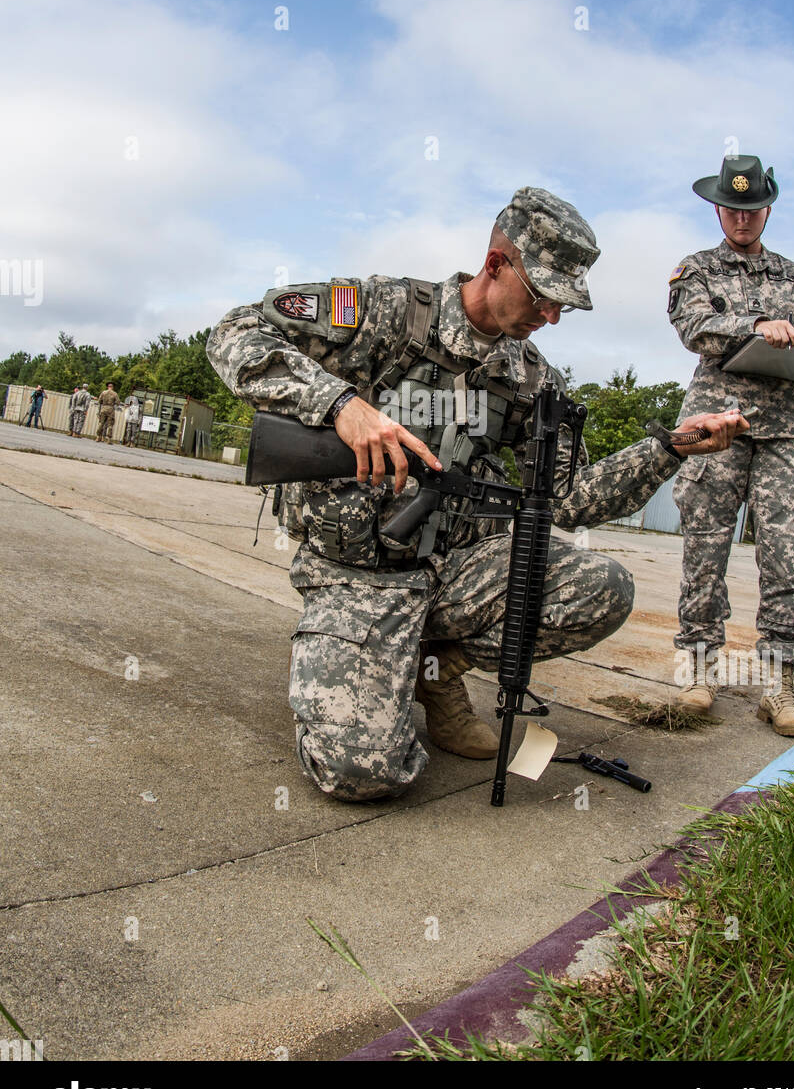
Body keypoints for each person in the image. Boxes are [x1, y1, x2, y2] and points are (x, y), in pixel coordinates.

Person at [208, 186, 744, 802]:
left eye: (563, 305)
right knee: (364, 775)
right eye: (543, 297)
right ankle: (363, 655)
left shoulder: (532, 378)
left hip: (455, 570)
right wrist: (340, 405)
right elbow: (235, 333)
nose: (552, 317)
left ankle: (435, 669)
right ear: (495, 265)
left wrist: (669, 448)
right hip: (357, 572)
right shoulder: (382, 310)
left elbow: (567, 498)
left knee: (602, 587)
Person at [668, 155, 794, 736]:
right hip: (716, 423)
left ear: (767, 209)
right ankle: (696, 673)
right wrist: (756, 323)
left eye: (752, 209)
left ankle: (779, 684)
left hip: (784, 430)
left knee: (788, 553)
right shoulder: (694, 269)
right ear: (719, 209)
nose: (742, 219)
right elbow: (694, 327)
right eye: (732, 209)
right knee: (705, 549)